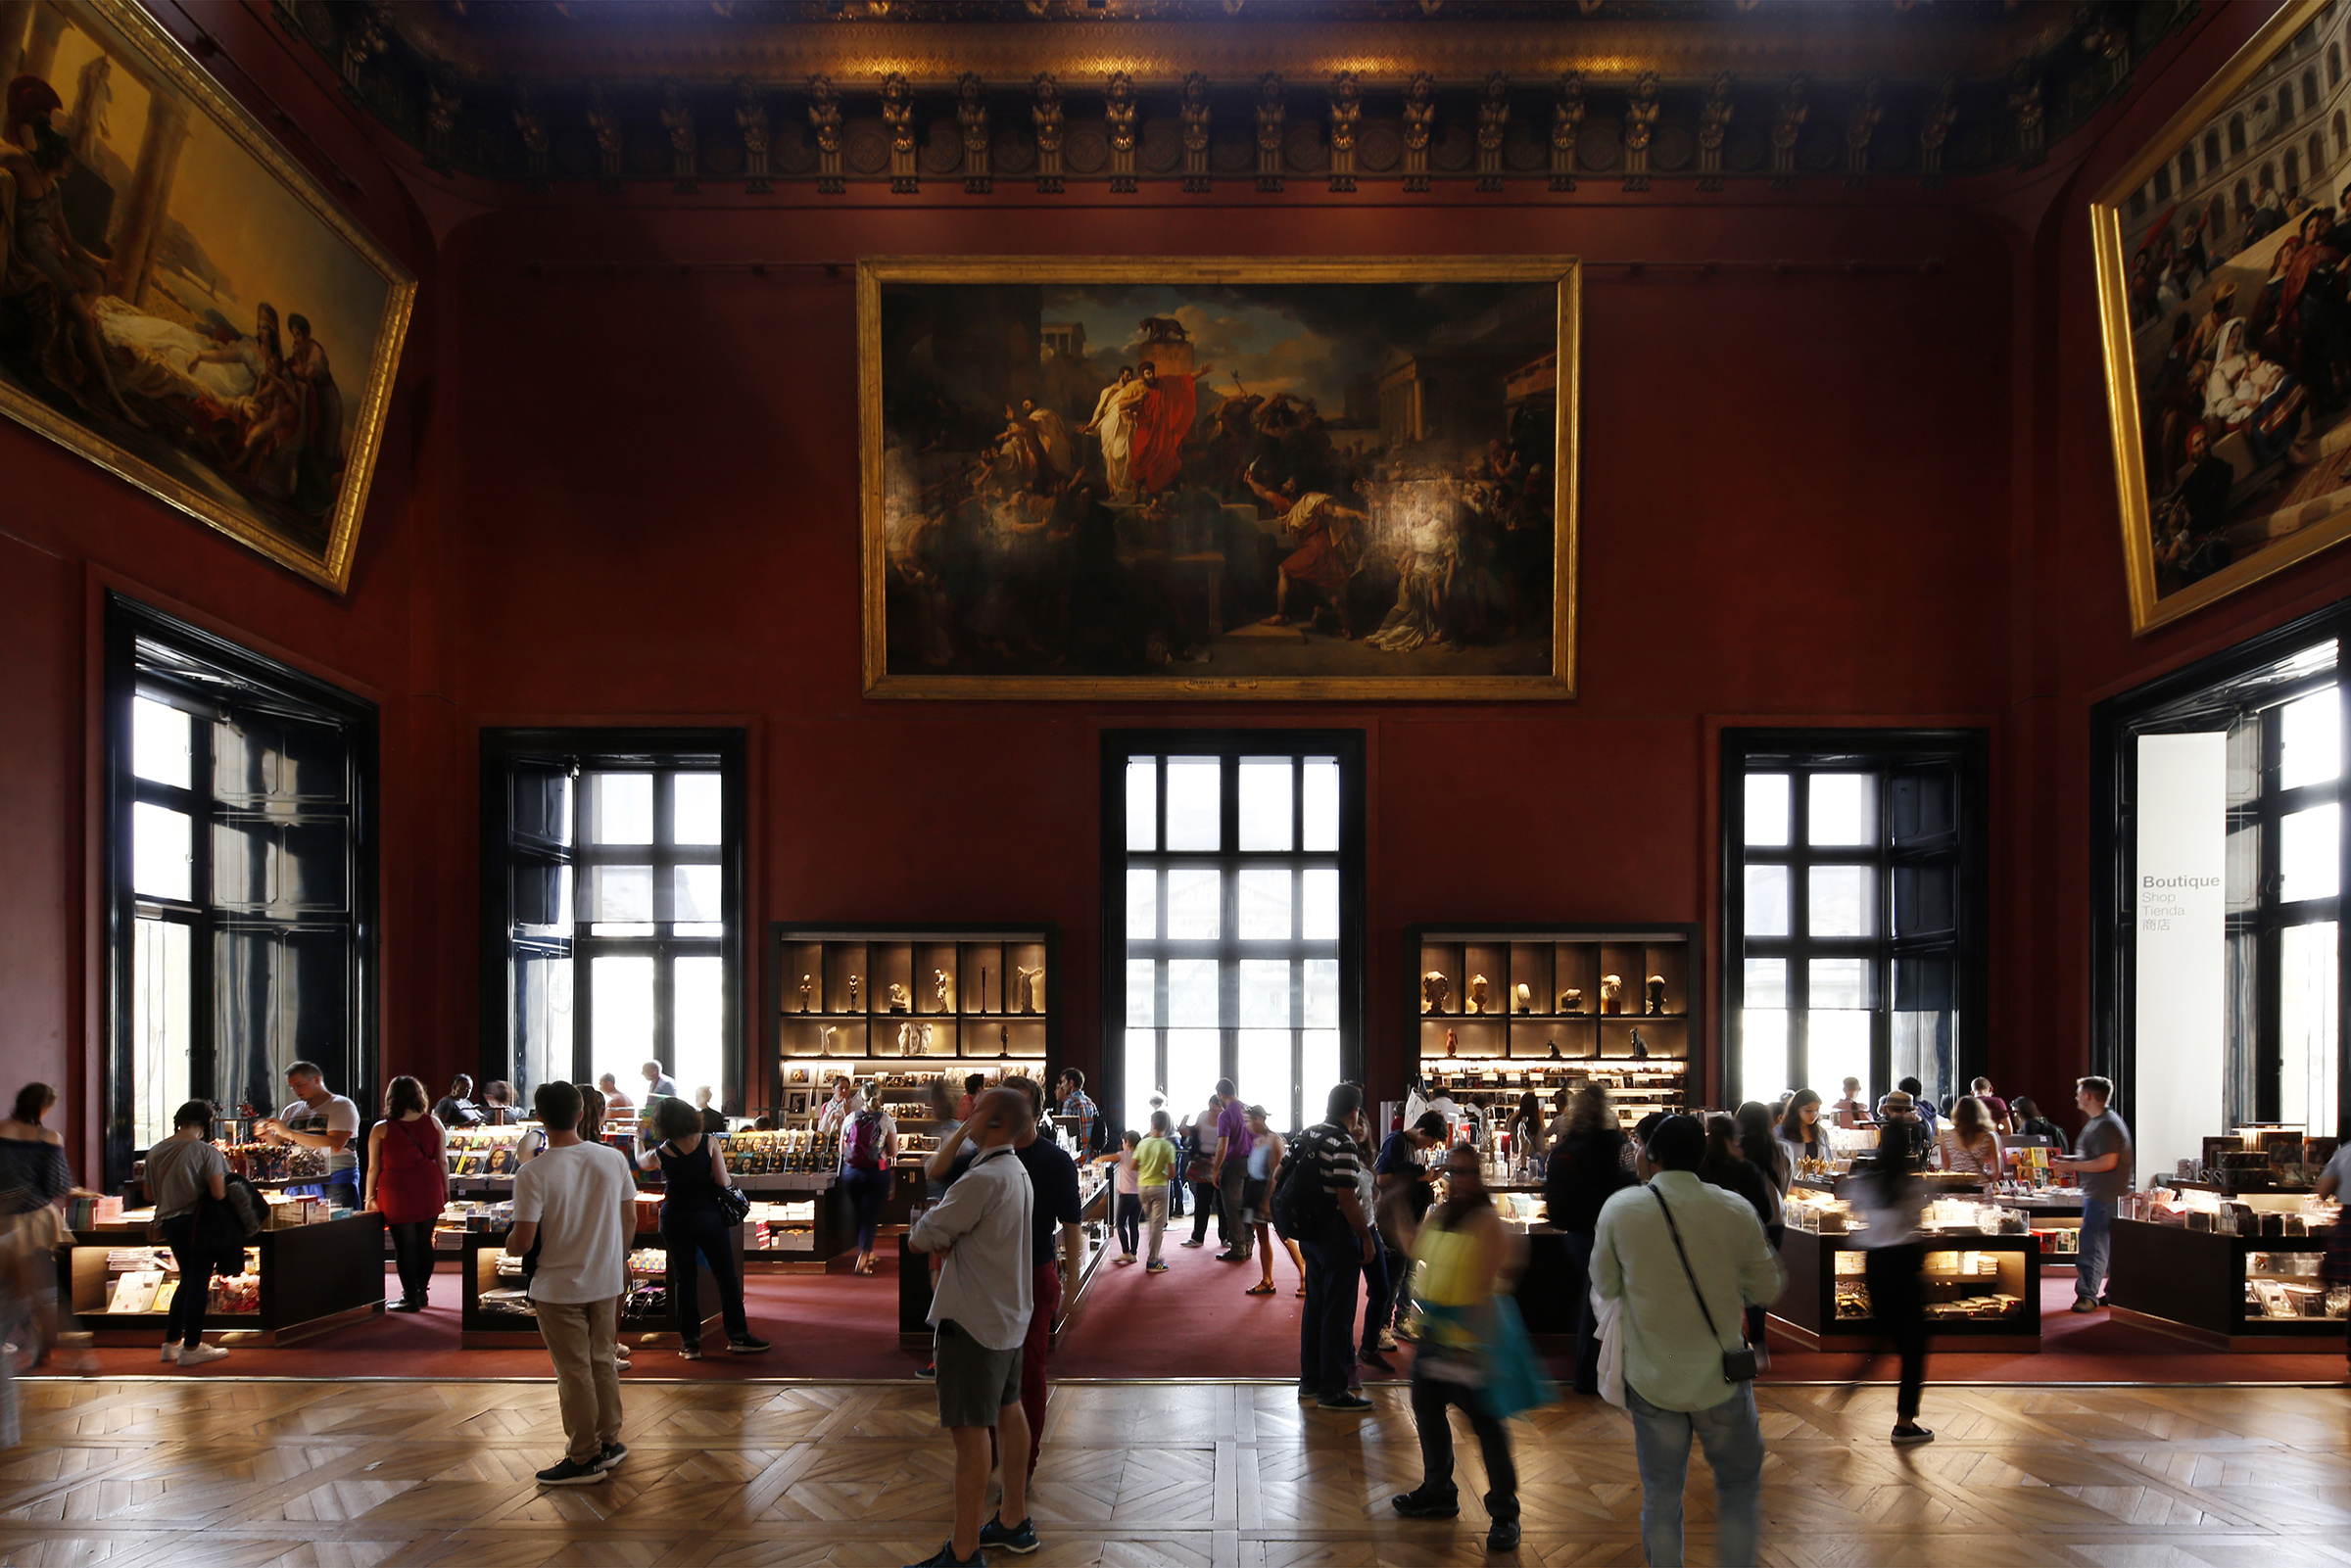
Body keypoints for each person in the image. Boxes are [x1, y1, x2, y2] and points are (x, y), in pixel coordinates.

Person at [1592, 1114, 1783, 1568]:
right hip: (1722, 1377)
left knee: (1661, 1496)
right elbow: (1766, 1290)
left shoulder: (1620, 1209)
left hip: (1652, 1374)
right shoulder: (1734, 1209)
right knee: (1737, 1488)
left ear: (1651, 1155)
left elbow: (1605, 1283)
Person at [906, 1087, 1038, 1567]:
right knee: (1008, 1409)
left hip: (974, 1319)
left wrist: (930, 1231)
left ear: (998, 1124)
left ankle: (963, 1553)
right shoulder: (1013, 1170)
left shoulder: (981, 1180)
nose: (968, 1112)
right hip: (1006, 1314)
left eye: (978, 1110)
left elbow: (922, 1238)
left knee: (969, 1433)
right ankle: (1013, 1520)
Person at [1389, 1141, 1524, 1550]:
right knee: (1427, 1411)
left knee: (1487, 1425)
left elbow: (1499, 1279)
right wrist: (1395, 1205)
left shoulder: (1486, 1221)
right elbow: (1416, 1248)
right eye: (1454, 1172)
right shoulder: (1442, 1215)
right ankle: (1439, 1491)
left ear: (1478, 1176)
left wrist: (1474, 1344)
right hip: (1436, 1337)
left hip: (1470, 1341)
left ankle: (1504, 1513)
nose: (1460, 1180)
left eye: (1467, 1172)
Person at [508, 1080, 636, 1485]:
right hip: (606, 1276)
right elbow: (628, 1219)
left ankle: (583, 1456)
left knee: (573, 1370)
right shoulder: (611, 1159)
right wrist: (616, 1256)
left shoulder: (533, 1172)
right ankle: (609, 1440)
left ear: (540, 1119)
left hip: (559, 1284)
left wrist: (508, 1238)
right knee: (602, 1361)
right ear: (583, 1114)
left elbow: (522, 1243)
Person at [636, 1096, 767, 1359]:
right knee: (725, 1275)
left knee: (684, 1279)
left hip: (674, 1216)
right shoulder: (708, 1142)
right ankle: (738, 1335)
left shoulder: (664, 1150)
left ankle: (690, 1343)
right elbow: (723, 1180)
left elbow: (642, 1162)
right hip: (708, 1214)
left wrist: (639, 1139)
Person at [1840, 1120, 1934, 1444]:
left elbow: (1853, 1210)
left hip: (1876, 1262)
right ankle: (1904, 1421)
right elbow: (1917, 1221)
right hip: (1904, 1262)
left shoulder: (1869, 1178)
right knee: (1913, 1344)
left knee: (1882, 1333)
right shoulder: (1908, 1182)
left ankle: (1853, 1380)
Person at [1293, 1082, 1378, 1412]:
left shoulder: (1307, 1134)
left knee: (1315, 1308)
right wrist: (1366, 1237)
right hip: (1336, 1237)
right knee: (1337, 1313)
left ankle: (1309, 1381)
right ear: (1354, 1111)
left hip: (1310, 1236)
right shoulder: (1343, 1142)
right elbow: (1347, 1196)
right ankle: (1333, 1389)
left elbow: (1278, 1174)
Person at [1543, 1086, 1632, 1394]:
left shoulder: (1568, 1144)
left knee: (1592, 1298)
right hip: (1609, 1232)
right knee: (1599, 1301)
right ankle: (1592, 1375)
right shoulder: (1615, 1143)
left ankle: (1589, 1372)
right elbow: (1630, 1183)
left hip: (1575, 1232)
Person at [0, 1083, 85, 1367]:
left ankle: (20, 1339)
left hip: (2, 1218)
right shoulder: (47, 1137)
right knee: (42, 1285)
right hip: (36, 1220)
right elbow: (57, 1184)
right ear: (44, 1107)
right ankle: (49, 1347)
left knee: (9, 1286)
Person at [145, 1100, 231, 1367]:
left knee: (187, 1279)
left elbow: (149, 1194)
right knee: (198, 1282)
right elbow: (219, 1193)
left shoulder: (155, 1151)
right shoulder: (206, 1152)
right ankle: (192, 1347)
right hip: (199, 1223)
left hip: (170, 1223)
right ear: (206, 1123)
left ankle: (172, 1344)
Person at [364, 1075, 447, 1313]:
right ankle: (422, 1293)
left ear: (391, 1098)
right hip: (429, 1186)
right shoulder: (434, 1123)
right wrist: (445, 1190)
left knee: (405, 1246)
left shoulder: (381, 1129)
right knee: (425, 1241)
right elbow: (441, 1161)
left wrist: (369, 1197)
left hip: (396, 1188)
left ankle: (409, 1296)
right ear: (420, 1096)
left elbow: (373, 1167)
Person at [2053, 1075, 2133, 1312]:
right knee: (2105, 1246)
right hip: (2103, 1194)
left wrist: (2072, 1166)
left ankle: (2087, 1294)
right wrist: (2071, 1160)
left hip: (2103, 1195)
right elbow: (2096, 1157)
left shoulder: (2105, 1125)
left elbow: (2107, 1162)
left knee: (2093, 1245)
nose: (2076, 1097)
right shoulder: (2102, 1121)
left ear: (2088, 1096)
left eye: (2079, 1093)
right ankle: (2113, 1292)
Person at [1373, 1112, 1448, 1343]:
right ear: (1423, 1132)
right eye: (1431, 1142)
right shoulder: (1396, 1142)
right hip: (1396, 1222)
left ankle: (1401, 1321)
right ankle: (1382, 1327)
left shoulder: (1412, 1148)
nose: (1431, 1147)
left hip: (1411, 1220)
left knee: (1409, 1273)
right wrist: (1421, 1177)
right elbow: (1382, 1179)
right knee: (1395, 1275)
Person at [259, 1061, 360, 1211]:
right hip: (298, 1180)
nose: (296, 1090)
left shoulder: (341, 1105)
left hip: (334, 1178)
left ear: (317, 1080)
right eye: (292, 1087)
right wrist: (268, 1137)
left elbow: (334, 1144)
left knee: (336, 1227)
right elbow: (280, 1149)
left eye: (299, 1084)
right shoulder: (291, 1110)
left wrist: (289, 1133)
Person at [1734, 1102, 1792, 1360]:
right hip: (1774, 1221)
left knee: (1736, 1282)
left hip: (1741, 1220)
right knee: (1758, 1282)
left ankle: (1738, 1339)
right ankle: (1759, 1342)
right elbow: (1786, 1185)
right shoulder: (1781, 1149)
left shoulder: (1735, 1151)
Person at [1244, 1106, 1303, 1297]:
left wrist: (1267, 1200)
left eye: (1249, 1121)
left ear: (1259, 1119)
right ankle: (1267, 1280)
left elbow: (1275, 1174)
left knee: (1283, 1235)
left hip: (1270, 1192)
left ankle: (1305, 1276)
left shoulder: (1274, 1141)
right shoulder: (1258, 1140)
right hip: (1254, 1189)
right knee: (1262, 1238)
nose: (1247, 1125)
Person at [839, 1088, 897, 1275]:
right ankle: (863, 1259)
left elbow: (841, 1149)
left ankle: (868, 1252)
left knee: (858, 1215)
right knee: (870, 1218)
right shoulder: (886, 1119)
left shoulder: (849, 1118)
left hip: (851, 1173)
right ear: (881, 1098)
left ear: (861, 1098)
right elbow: (894, 1152)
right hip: (875, 1173)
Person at [1214, 1078, 1255, 1262]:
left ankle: (1238, 1248)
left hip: (1235, 1164)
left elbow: (1223, 1145)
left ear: (1221, 1095)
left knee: (1233, 1207)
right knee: (1249, 1206)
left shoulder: (1226, 1115)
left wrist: (1216, 1170)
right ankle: (1249, 1244)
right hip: (1254, 1163)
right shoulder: (1249, 1111)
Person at [1182, 1091, 1227, 1250]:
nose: (1213, 1112)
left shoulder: (1226, 1120)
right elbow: (1195, 1132)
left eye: (1216, 1110)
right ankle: (1197, 1236)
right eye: (1211, 1109)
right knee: (1202, 1202)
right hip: (1203, 1163)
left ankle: (1225, 1236)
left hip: (1221, 1164)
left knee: (1223, 1203)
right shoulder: (1203, 1116)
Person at [1136, 1110, 1177, 1272]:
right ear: (1166, 1126)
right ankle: (1153, 1261)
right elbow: (1172, 1173)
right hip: (1159, 1187)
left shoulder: (1142, 1143)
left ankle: (1154, 1255)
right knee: (1157, 1226)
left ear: (1152, 1124)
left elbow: (1133, 1166)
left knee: (1150, 1222)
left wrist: (1146, 1171)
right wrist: (1161, 1174)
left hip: (1142, 1187)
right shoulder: (1168, 1146)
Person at [1936, 1096, 2002, 1190]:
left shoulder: (1946, 1136)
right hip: (1980, 1189)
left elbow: (1946, 1167)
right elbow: (1996, 1172)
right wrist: (1982, 1178)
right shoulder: (1989, 1137)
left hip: (1955, 1189)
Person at [1102, 1131, 1142, 1264]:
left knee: (1120, 1224)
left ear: (1128, 1143)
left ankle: (1126, 1252)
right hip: (1139, 1195)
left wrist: (1096, 1160)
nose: (1122, 1145)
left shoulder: (1124, 1155)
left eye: (1123, 1142)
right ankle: (1134, 1253)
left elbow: (1107, 1158)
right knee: (1133, 1225)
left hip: (1126, 1195)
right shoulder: (1141, 1156)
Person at [1776, 1089, 1828, 1165]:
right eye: (1808, 1110)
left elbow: (1827, 1160)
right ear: (1796, 1110)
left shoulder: (1820, 1132)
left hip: (1818, 1177)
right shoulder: (1780, 1132)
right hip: (1792, 1176)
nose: (1814, 1114)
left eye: (1817, 1110)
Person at [1506, 1089, 1549, 1174]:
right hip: (1531, 1163)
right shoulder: (1536, 1124)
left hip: (1513, 1159)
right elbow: (1540, 1147)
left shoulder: (1512, 1119)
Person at [1057, 1069, 1099, 1154]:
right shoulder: (1090, 1102)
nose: (1062, 1086)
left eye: (1064, 1082)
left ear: (1071, 1083)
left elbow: (1064, 1135)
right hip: (1089, 1154)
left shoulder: (1069, 1103)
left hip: (1075, 1156)